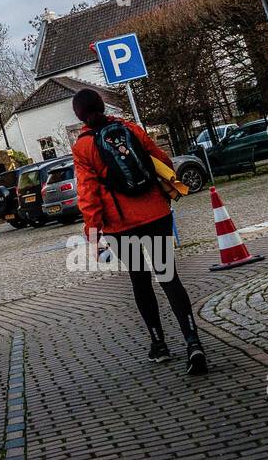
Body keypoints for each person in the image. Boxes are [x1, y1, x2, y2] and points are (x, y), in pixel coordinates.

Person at [71, 88, 206, 375]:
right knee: (168, 275)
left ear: (79, 116)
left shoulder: (83, 147)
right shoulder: (131, 128)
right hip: (155, 213)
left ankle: (159, 344)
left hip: (121, 226)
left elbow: (88, 194)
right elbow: (163, 162)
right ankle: (192, 340)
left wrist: (93, 235)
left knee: (140, 281)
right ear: (102, 106)